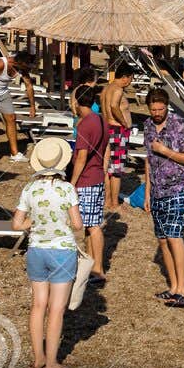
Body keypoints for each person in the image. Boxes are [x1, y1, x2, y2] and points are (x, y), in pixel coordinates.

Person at [13, 138, 81, 368]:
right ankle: (52, 362)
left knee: (38, 305)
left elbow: (16, 224)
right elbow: (77, 224)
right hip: (62, 250)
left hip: (36, 250)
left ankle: (38, 357)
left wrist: (36, 220)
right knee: (56, 309)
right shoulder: (67, 189)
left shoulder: (29, 189)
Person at [141, 90, 184, 308]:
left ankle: (183, 290)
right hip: (157, 190)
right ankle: (173, 286)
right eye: (153, 110)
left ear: (167, 107)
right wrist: (147, 191)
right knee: (162, 239)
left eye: (160, 109)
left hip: (178, 188)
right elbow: (148, 160)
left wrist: (165, 150)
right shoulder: (147, 125)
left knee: (174, 236)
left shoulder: (179, 125)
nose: (156, 113)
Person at [70, 95, 108, 280]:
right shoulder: (101, 119)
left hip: (87, 179)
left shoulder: (85, 124)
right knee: (91, 224)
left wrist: (72, 182)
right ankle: (92, 264)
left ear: (77, 103)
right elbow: (106, 147)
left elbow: (82, 157)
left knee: (93, 226)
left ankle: (98, 269)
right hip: (97, 175)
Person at [98, 68, 135, 213]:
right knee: (116, 169)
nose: (130, 82)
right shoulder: (118, 89)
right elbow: (114, 106)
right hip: (118, 130)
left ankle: (107, 199)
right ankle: (113, 202)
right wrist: (124, 123)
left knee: (107, 166)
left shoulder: (106, 89)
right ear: (125, 77)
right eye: (131, 78)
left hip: (107, 128)